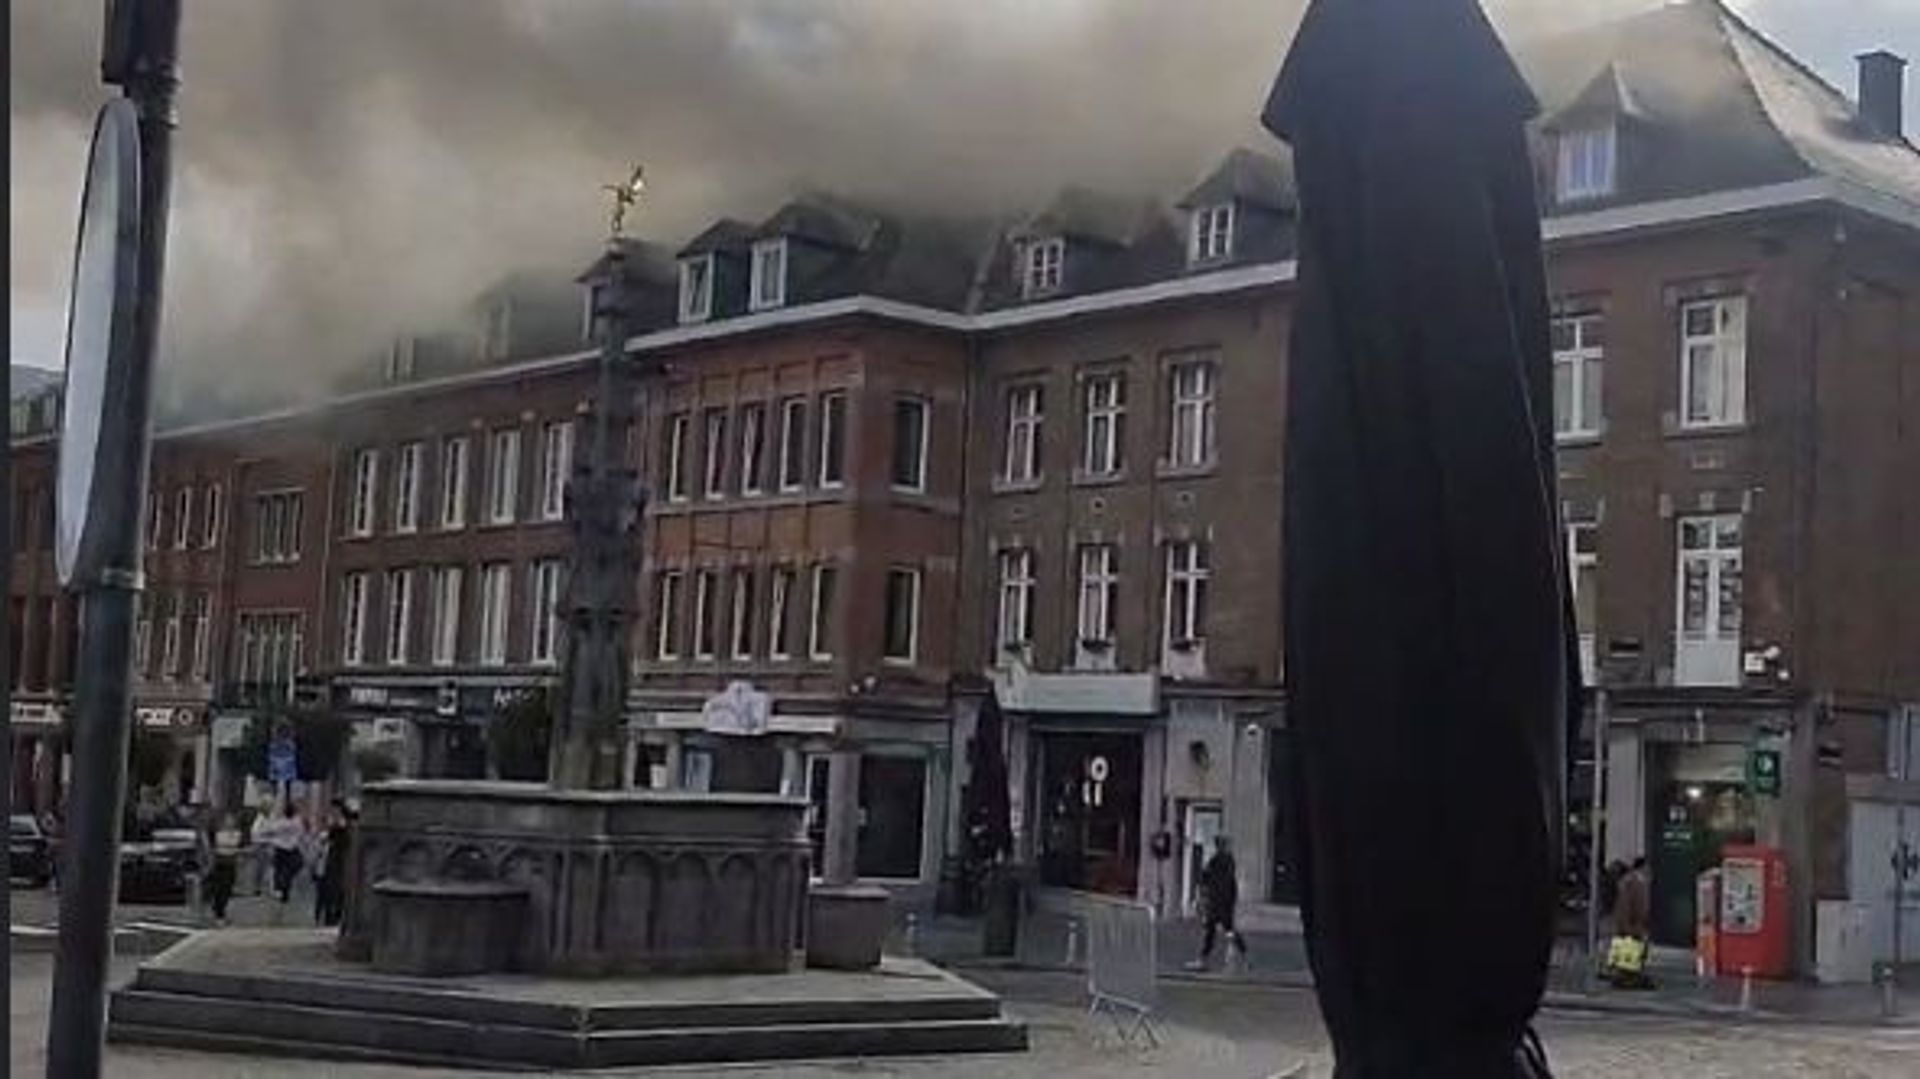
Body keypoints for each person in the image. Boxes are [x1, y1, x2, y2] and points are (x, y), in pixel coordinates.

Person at [1187, 834, 1250, 972]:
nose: (1219, 846)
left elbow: (1210, 879)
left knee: (1218, 930)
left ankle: (1207, 959)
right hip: (1222, 902)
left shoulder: (1219, 860)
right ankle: (1241, 957)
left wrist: (1206, 895)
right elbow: (1219, 881)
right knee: (1221, 930)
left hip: (1219, 902)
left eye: (1220, 844)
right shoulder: (1225, 860)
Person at [1607, 856, 1654, 989]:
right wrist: (1629, 927)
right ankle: (1627, 977)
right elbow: (1627, 906)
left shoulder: (1637, 882)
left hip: (1635, 924)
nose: (1649, 872)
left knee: (1634, 952)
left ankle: (1628, 976)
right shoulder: (1632, 882)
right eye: (1647, 868)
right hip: (1632, 925)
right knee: (1630, 952)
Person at [254, 801, 307, 904]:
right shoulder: (297, 822)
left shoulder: (281, 823)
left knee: (279, 870)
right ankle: (284, 890)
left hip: (281, 849)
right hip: (291, 850)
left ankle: (280, 888)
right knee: (287, 870)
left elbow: (268, 831)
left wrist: (263, 838)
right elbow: (301, 835)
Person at [313, 801, 352, 926]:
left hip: (337, 864)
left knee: (335, 890)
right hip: (328, 864)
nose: (333, 814)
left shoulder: (343, 828)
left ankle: (332, 916)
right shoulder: (333, 829)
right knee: (326, 891)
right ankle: (323, 915)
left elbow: (343, 842)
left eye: (336, 811)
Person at [206, 812, 246, 926]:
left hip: (231, 863)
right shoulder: (220, 834)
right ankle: (219, 914)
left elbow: (239, 846)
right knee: (220, 888)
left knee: (228, 888)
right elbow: (217, 846)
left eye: (232, 821)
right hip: (220, 862)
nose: (230, 823)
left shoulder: (237, 833)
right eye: (228, 821)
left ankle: (220, 912)